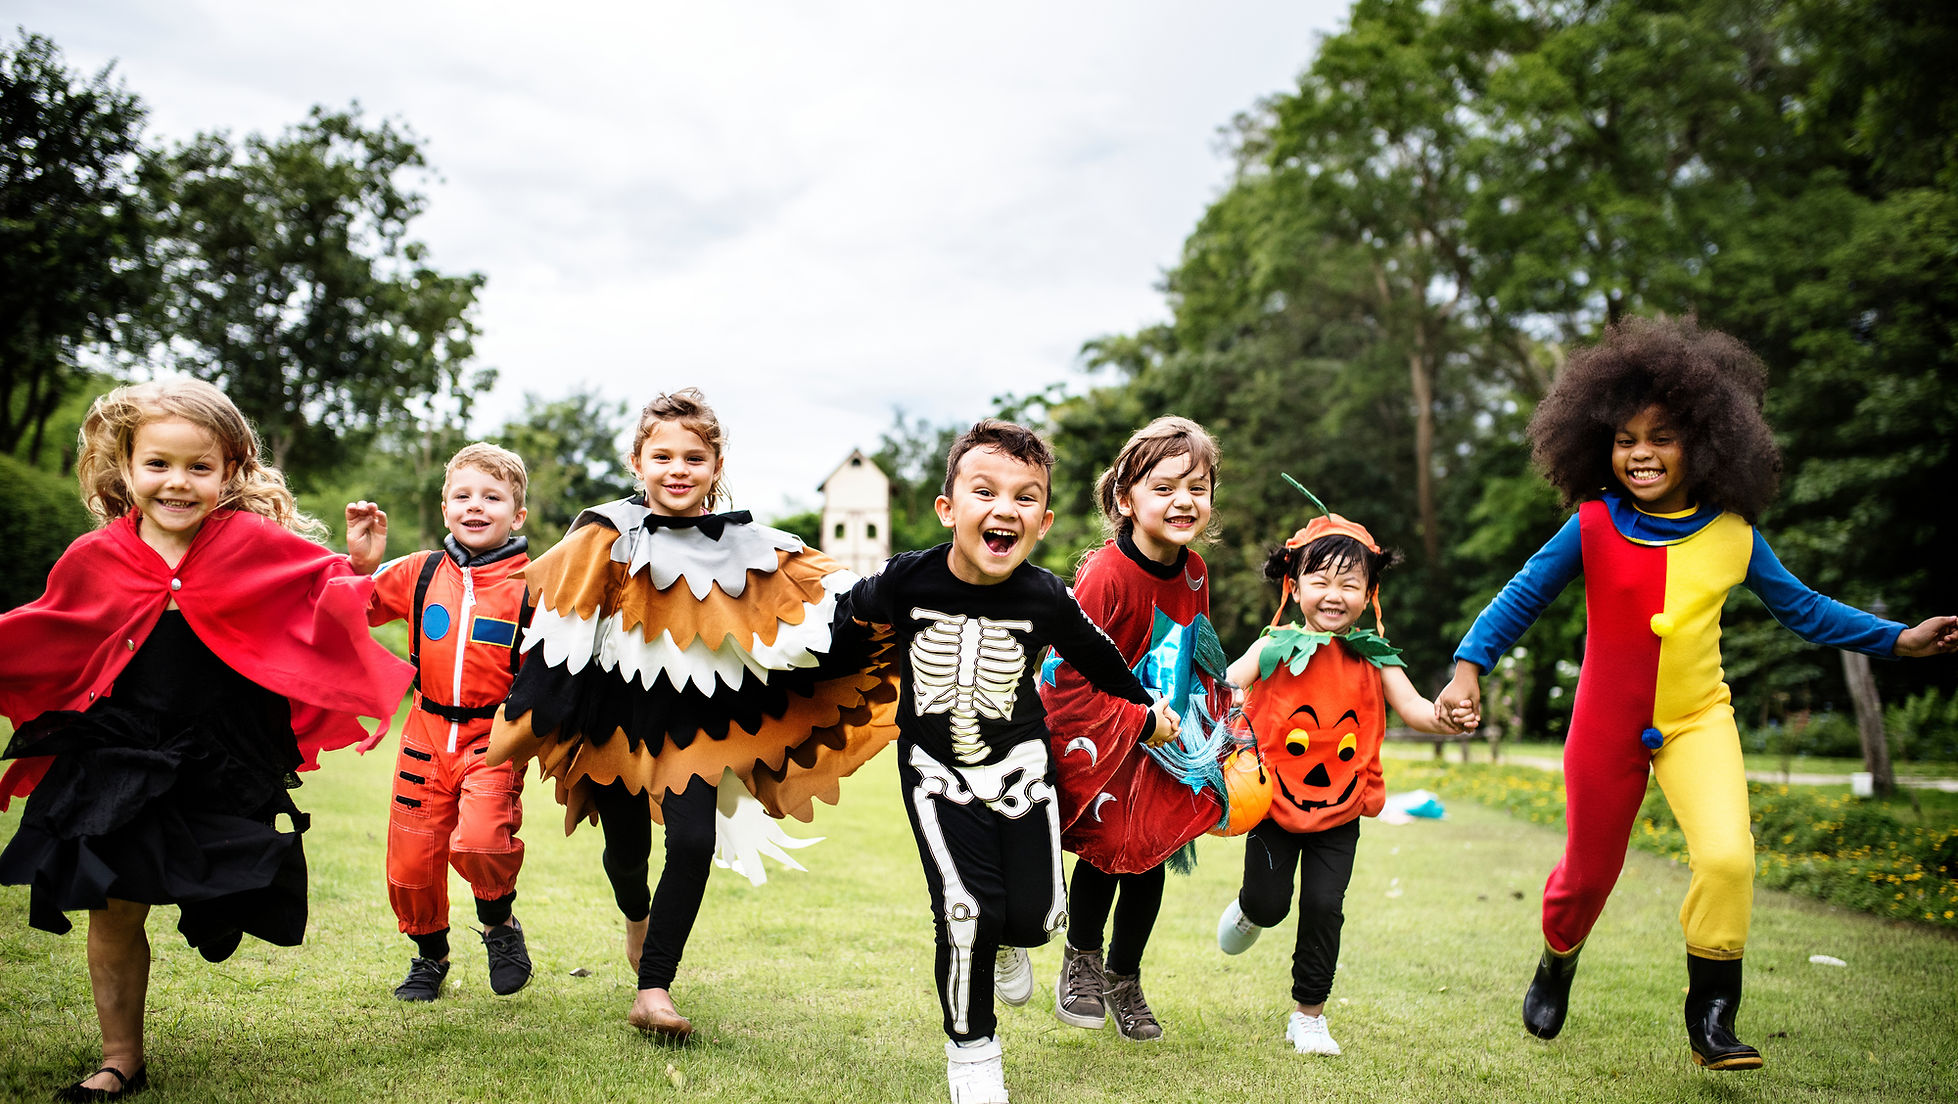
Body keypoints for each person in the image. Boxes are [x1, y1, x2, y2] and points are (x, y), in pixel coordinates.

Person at [1434, 316, 1958, 1070]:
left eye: (1662, 437)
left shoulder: (1735, 533)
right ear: (1599, 446)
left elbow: (1805, 609)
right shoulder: (1589, 524)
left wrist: (1898, 636)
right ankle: (1557, 961)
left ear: (1706, 443)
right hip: (1604, 726)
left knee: (1727, 858)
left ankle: (1712, 1013)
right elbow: (1519, 597)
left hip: (1697, 720)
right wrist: (1467, 668)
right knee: (1586, 875)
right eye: (1624, 439)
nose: (1640, 453)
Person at [0, 379, 414, 1101]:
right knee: (113, 901)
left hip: (221, 752)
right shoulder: (95, 555)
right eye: (158, 464)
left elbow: (324, 606)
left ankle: (213, 912)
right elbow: (49, 627)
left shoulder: (253, 543)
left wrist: (359, 568)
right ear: (124, 466)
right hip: (118, 750)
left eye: (200, 467)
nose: (177, 483)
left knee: (224, 901)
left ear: (230, 472)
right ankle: (119, 1058)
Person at [486, 388, 898, 1043]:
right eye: (663, 456)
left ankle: (653, 989)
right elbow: (539, 606)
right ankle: (634, 916)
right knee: (627, 853)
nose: (678, 469)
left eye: (694, 457)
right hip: (615, 721)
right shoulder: (603, 534)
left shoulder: (754, 546)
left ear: (715, 464)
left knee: (694, 844)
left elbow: (834, 595)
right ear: (638, 461)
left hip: (700, 725)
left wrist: (913, 589)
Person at [843, 419, 1180, 1104]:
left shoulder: (1045, 596)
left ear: (1045, 520)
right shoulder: (906, 578)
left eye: (1026, 498)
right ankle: (973, 1056)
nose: (1005, 509)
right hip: (935, 774)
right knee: (965, 909)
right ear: (949, 508)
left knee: (1033, 918)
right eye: (985, 491)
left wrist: (1148, 713)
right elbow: (841, 624)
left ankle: (1008, 940)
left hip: (1023, 770)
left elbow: (1099, 659)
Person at [1213, 488, 1464, 1059]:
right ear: (1294, 587)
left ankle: (1309, 1016)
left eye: (1350, 584)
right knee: (1271, 903)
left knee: (1325, 906)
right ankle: (1253, 909)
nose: (1334, 595)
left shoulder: (1376, 656)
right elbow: (1226, 683)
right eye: (1320, 581)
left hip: (1341, 809)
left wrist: (1447, 718)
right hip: (1273, 803)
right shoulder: (1274, 645)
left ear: (1369, 593)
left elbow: (1417, 710)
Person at [1037, 415, 1226, 1041]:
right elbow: (1066, 672)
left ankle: (1125, 978)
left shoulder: (1195, 571)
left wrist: (1216, 714)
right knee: (1107, 851)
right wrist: (1136, 720)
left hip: (1167, 745)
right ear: (1126, 498)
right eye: (1165, 486)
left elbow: (1193, 648)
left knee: (1151, 859)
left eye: (1197, 488)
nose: (1183, 501)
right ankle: (1082, 964)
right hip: (1110, 741)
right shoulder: (1105, 576)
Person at [348, 442, 536, 1002]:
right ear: (444, 507)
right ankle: (430, 958)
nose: (476, 507)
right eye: (463, 495)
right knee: (411, 860)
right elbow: (351, 607)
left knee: (481, 841)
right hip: (425, 733)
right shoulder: (419, 571)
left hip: (494, 737)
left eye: (492, 497)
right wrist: (360, 565)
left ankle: (500, 925)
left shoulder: (534, 584)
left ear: (517, 514)